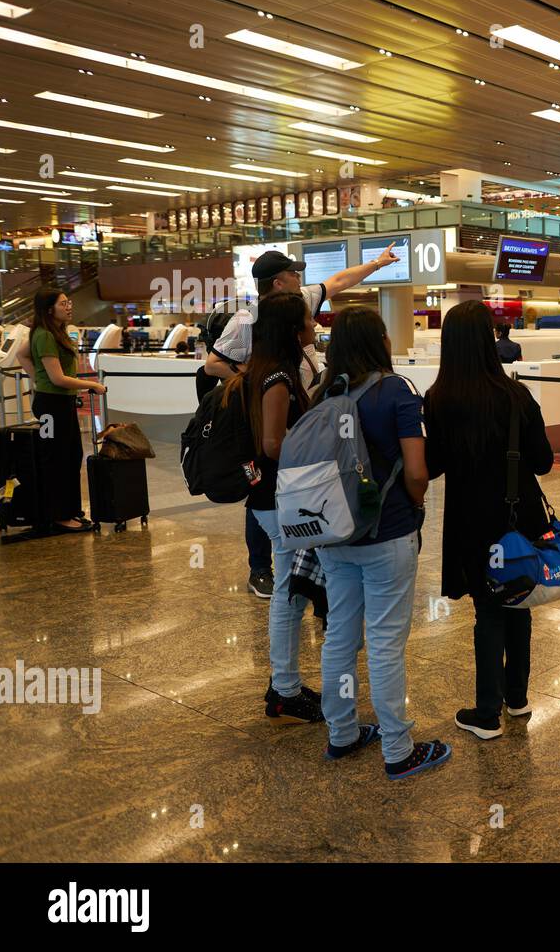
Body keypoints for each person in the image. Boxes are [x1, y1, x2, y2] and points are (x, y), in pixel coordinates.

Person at [203, 246, 399, 599]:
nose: (300, 278)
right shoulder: (246, 321)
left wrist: (376, 263)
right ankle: (261, 568)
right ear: (278, 283)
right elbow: (213, 364)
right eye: (293, 273)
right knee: (265, 487)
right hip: (270, 410)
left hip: (303, 409)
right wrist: (258, 379)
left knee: (299, 487)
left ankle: (307, 559)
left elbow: (338, 281)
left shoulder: (303, 299)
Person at [311, 306, 451, 779]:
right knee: (386, 643)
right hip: (387, 531)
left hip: (333, 534)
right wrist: (414, 504)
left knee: (340, 638)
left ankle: (343, 733)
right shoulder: (396, 391)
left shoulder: (323, 392)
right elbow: (417, 471)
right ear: (380, 343)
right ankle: (398, 749)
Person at [424, 300, 554, 741]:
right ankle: (516, 698)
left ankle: (486, 712)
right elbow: (544, 462)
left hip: (471, 521)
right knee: (519, 602)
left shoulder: (438, 399)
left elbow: (434, 465)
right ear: (487, 339)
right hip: (519, 520)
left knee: (488, 610)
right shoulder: (517, 396)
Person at [228, 291, 324, 723]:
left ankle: (284, 683)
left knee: (290, 592)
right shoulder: (278, 377)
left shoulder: (256, 371)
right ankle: (284, 689)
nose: (313, 323)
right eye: (307, 318)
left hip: (266, 497)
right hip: (278, 497)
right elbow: (273, 444)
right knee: (288, 596)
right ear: (292, 328)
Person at [26, 289, 106, 534]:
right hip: (51, 405)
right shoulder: (44, 335)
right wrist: (91, 384)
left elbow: (21, 355)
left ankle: (70, 510)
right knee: (56, 459)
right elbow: (58, 378)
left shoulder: (54, 333)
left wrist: (37, 379)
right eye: (64, 303)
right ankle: (59, 516)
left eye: (69, 301)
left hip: (61, 403)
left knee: (71, 456)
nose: (69, 306)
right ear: (50, 309)